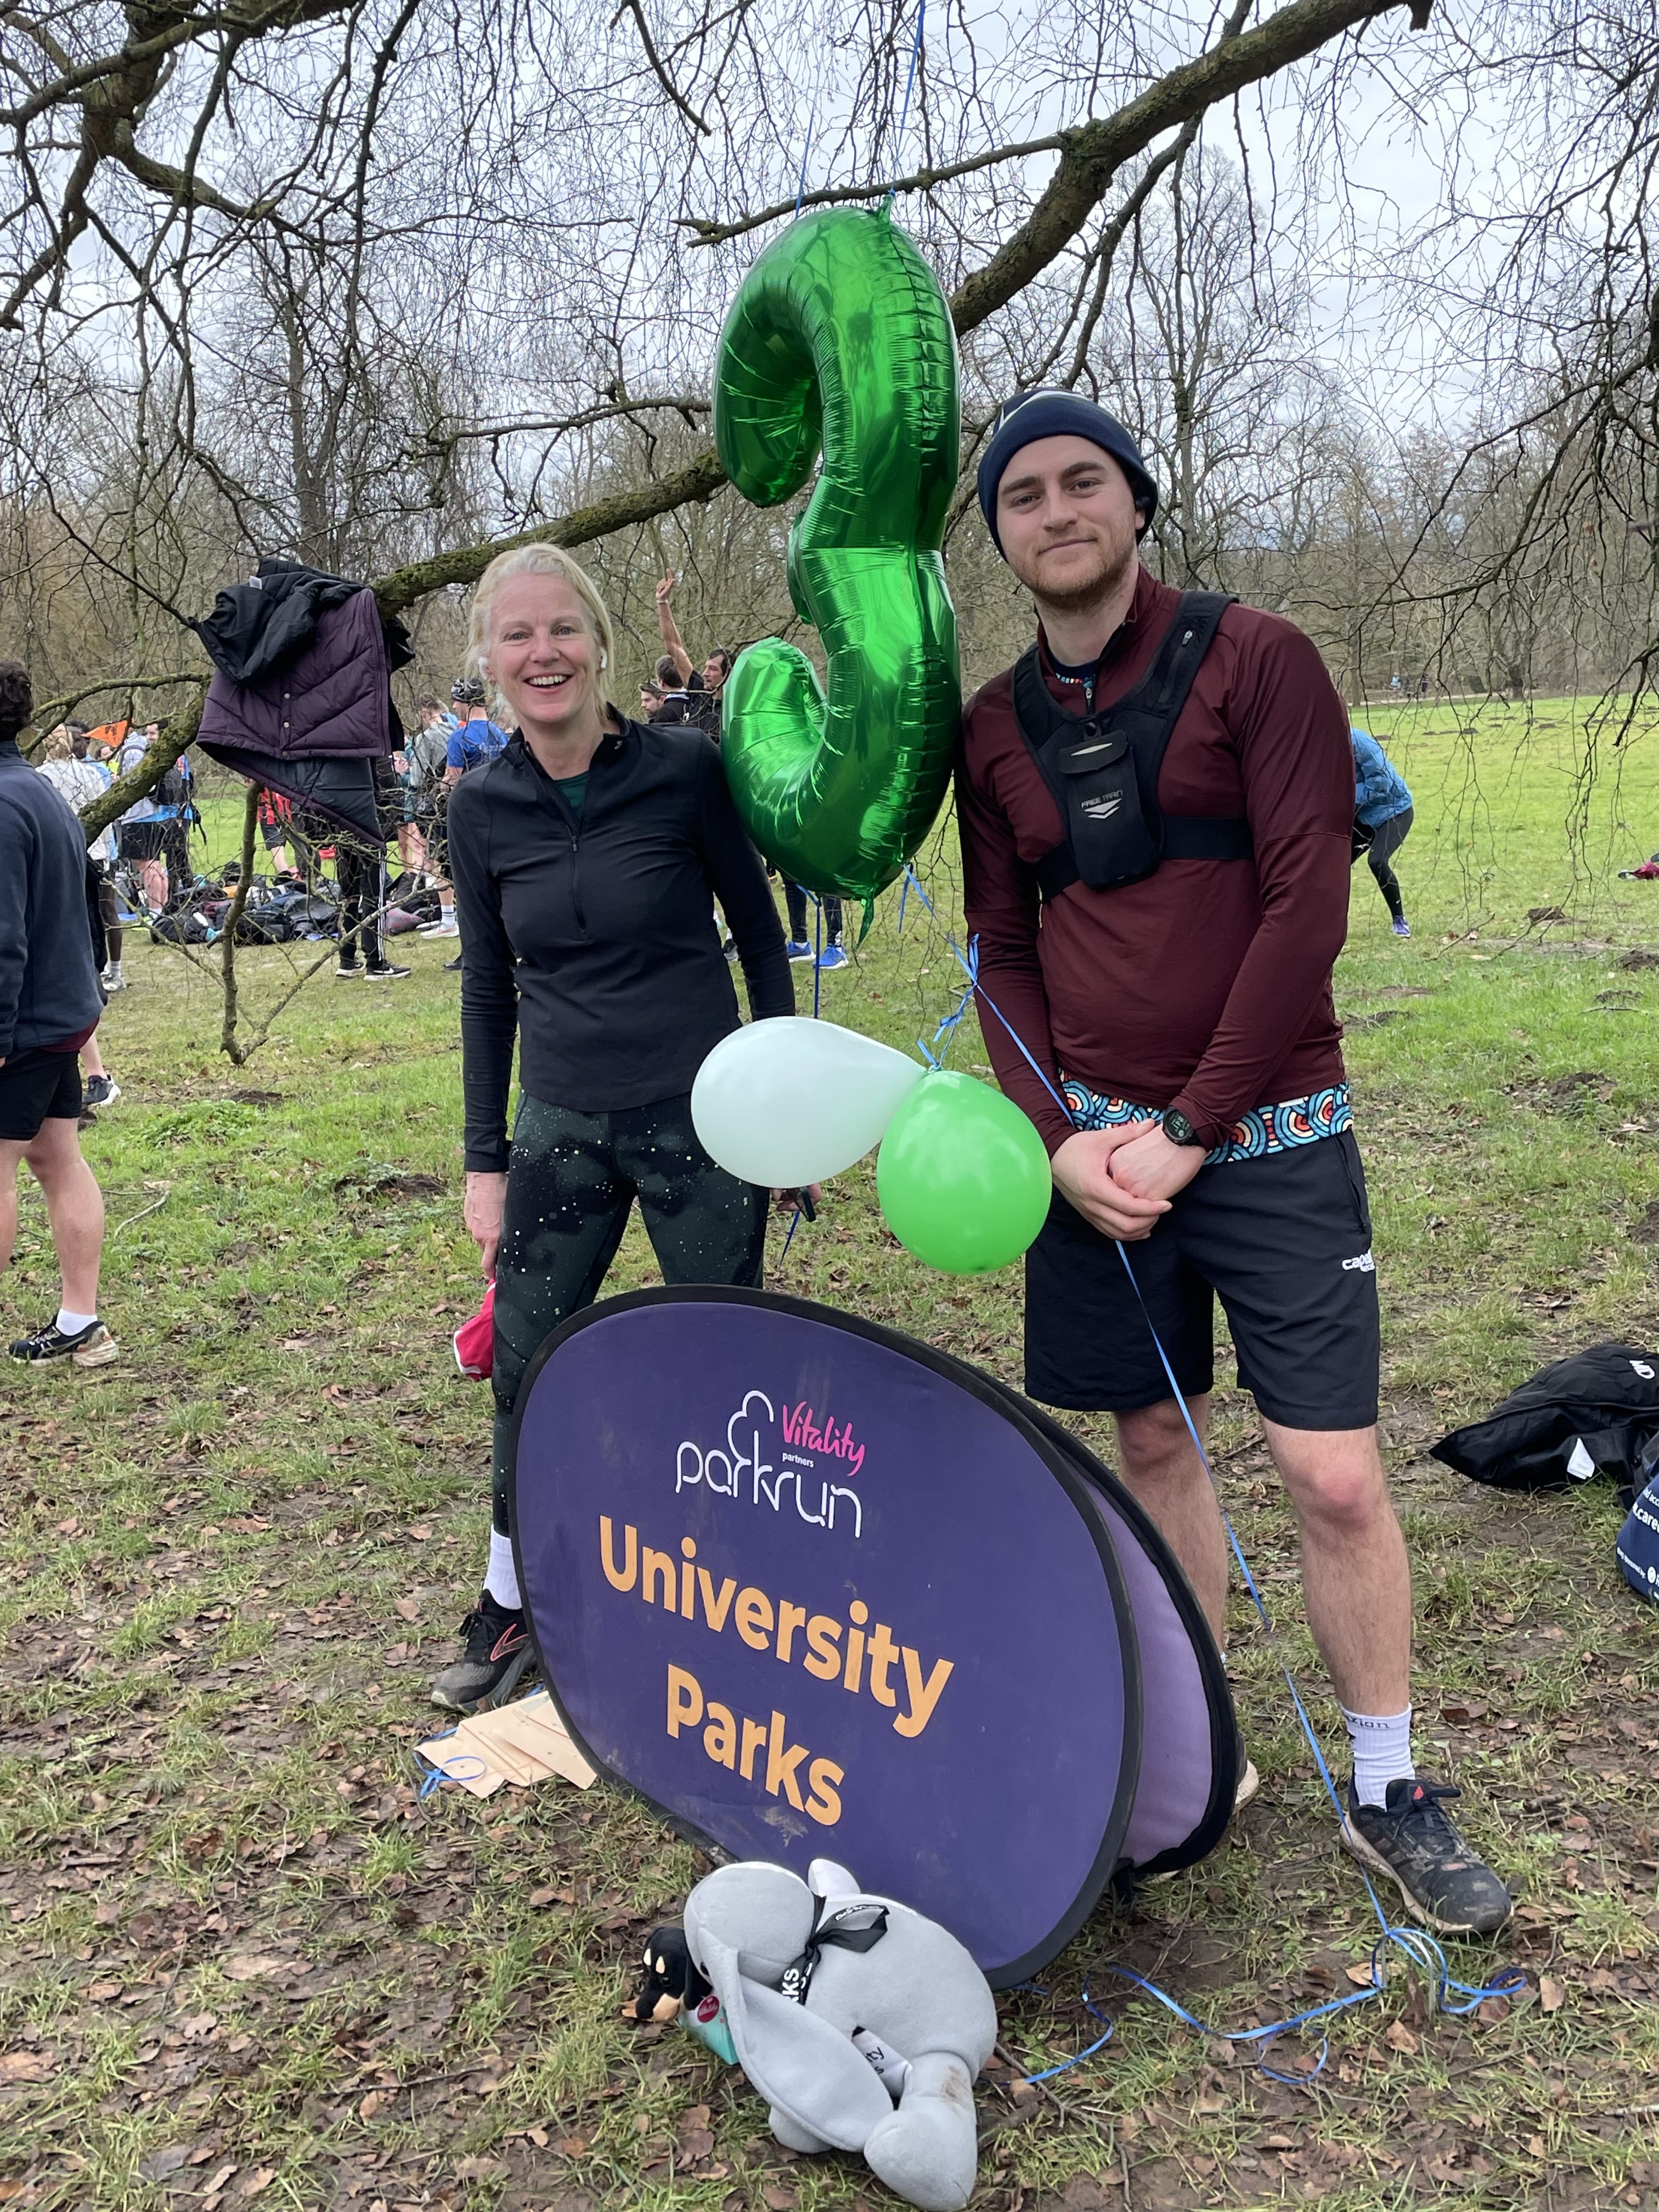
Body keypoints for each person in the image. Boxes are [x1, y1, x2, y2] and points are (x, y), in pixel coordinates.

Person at [957, 387, 1511, 1937]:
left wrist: (1193, 1131)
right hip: (1097, 1167)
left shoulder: (1262, 661)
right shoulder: (991, 727)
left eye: (1085, 484)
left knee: (1331, 1473)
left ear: (1136, 503)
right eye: (1024, 496)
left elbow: (1301, 912)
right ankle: (1194, 1758)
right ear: (999, 536)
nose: (1057, 512)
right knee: (1150, 1448)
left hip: (1267, 1140)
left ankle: (1392, 1787)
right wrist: (1063, 1147)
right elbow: (999, 952)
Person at [429, 543, 794, 1712]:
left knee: (720, 1370)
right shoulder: (478, 808)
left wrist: (779, 1107)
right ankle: (512, 1599)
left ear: (599, 643)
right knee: (529, 1366)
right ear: (491, 663)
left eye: (563, 630)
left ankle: (735, 1598)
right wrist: (485, 1163)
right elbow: (487, 989)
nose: (544, 653)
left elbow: (763, 938)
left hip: (705, 1127)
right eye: (518, 636)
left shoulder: (687, 771)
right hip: (561, 1131)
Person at [0, 662, 117, 1367]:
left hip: (26, 1024)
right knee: (56, 1156)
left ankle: (84, 1320)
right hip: (66, 1012)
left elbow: (3, 937)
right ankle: (83, 1322)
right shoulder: (40, 792)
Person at [34, 727, 121, 1103]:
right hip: (97, 855)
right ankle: (113, 970)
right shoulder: (93, 772)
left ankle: (95, 1074)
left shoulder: (41, 778)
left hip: (66, 864)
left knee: (70, 956)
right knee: (105, 916)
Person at [1351, 721, 1414, 937]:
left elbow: (1381, 785)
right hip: (1362, 814)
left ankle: (1399, 919)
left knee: (1377, 861)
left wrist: (1345, 798)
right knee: (1334, 864)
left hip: (1395, 811)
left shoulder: (1359, 742)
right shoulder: (1320, 749)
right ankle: (1327, 920)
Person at [115, 723, 184, 916]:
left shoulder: (132, 750)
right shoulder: (149, 749)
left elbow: (136, 782)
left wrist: (118, 783)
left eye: (152, 733)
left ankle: (155, 913)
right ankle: (161, 911)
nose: (149, 736)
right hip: (154, 815)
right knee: (155, 865)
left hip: (138, 816)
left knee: (147, 866)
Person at [655, 573, 731, 740]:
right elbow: (673, 647)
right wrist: (662, 602)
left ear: (727, 675)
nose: (705, 673)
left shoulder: (733, 710)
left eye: (712, 669)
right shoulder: (698, 691)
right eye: (706, 667)